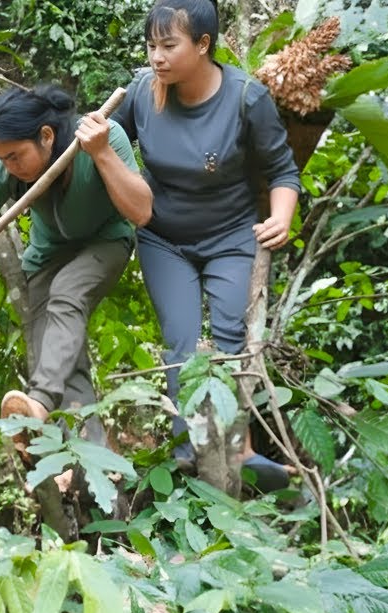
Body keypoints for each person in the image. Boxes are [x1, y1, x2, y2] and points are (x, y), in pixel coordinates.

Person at [111, 0, 299, 487]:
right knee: (181, 342)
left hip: (231, 236)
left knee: (232, 344)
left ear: (203, 44)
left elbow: (282, 170)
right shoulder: (139, 93)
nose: (157, 57)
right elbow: (107, 145)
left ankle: (238, 452)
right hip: (163, 238)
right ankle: (186, 450)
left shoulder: (245, 98)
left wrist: (281, 216)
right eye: (151, 45)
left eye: (168, 45)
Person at [0, 84, 152, 468]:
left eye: (15, 156)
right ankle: (90, 469)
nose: (9, 167)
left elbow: (141, 211)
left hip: (105, 243)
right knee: (58, 356)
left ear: (47, 136)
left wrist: (101, 152)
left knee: (67, 296)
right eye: (2, 159)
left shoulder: (103, 135)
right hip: (46, 257)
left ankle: (38, 404)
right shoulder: (4, 167)